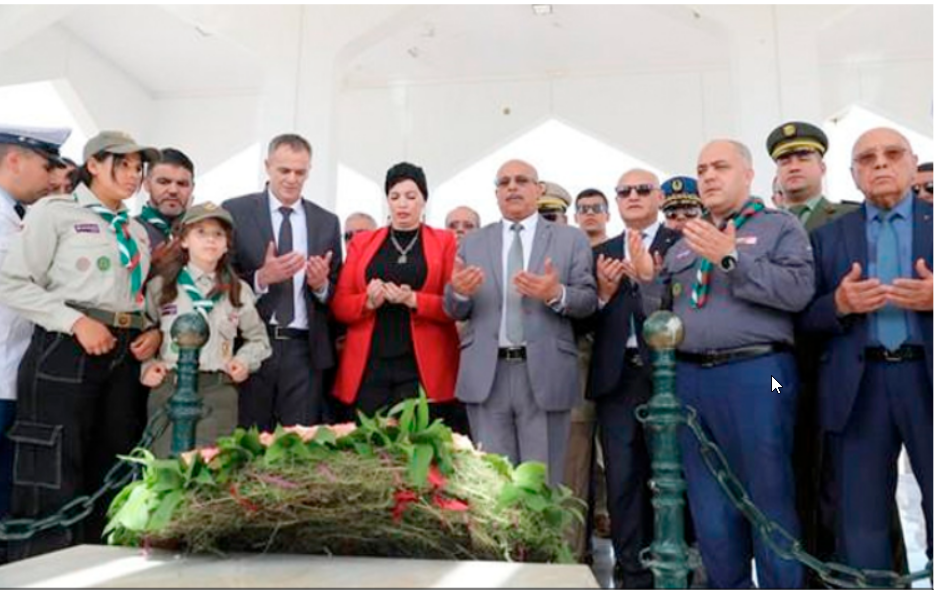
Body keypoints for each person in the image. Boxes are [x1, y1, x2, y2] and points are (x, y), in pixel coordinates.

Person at [629, 139, 814, 588]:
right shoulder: (684, 243)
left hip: (764, 376)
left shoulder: (779, 227)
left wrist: (730, 258)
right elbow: (666, 316)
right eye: (702, 167)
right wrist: (647, 282)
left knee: (768, 491)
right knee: (709, 505)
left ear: (748, 174)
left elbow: (797, 291)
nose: (708, 175)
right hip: (691, 380)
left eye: (720, 166)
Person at [0, 130, 162, 559]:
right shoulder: (56, 212)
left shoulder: (136, 230)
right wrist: (75, 323)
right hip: (64, 349)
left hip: (122, 352)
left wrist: (150, 330)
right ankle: (39, 566)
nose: (132, 175)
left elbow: (133, 293)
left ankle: (93, 562)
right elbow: (10, 281)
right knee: (54, 463)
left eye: (137, 167)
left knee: (112, 458)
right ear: (93, 164)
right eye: (122, 164)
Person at [800, 127, 931, 571]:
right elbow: (802, 320)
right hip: (859, 390)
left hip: (925, 378)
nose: (880, 163)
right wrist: (838, 304)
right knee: (861, 528)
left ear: (913, 164)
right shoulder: (829, 238)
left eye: (892, 154)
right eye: (867, 158)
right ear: (854, 175)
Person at [444, 159, 596, 488]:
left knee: (543, 485)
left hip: (544, 373)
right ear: (496, 193)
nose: (512, 187)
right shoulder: (473, 242)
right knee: (493, 485)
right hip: (488, 375)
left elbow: (587, 302)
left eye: (522, 180)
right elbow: (455, 309)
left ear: (538, 190)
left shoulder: (571, 240)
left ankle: (542, 543)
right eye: (504, 182)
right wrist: (459, 293)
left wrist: (556, 293)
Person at [588, 169, 679, 588]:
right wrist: (605, 295)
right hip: (617, 378)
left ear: (659, 196)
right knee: (622, 478)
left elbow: (686, 311)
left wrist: (648, 278)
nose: (633, 197)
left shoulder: (679, 244)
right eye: (624, 191)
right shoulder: (600, 250)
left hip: (667, 377)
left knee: (671, 475)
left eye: (643, 189)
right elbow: (581, 322)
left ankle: (676, 564)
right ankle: (631, 570)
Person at [331, 163, 466, 432]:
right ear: (387, 201)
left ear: (424, 200)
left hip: (422, 367)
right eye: (395, 197)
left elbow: (454, 307)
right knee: (367, 448)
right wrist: (367, 302)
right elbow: (340, 306)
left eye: (411, 196)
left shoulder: (445, 241)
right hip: (369, 365)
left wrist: (414, 300)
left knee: (417, 448)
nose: (402, 204)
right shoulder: (363, 242)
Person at [222, 133, 342, 430]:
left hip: (304, 350)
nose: (292, 179)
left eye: (300, 172)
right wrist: (262, 278)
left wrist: (321, 285)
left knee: (298, 444)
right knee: (247, 439)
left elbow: (336, 289)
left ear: (309, 171)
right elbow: (221, 277)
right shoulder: (235, 211)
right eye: (284, 170)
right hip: (250, 343)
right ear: (268, 166)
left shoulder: (327, 222)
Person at [142, 203, 271, 457]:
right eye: (200, 232)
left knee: (209, 468)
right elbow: (142, 335)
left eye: (218, 234)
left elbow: (258, 339)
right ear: (184, 240)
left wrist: (244, 361)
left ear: (226, 245)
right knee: (165, 466)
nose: (210, 240)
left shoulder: (237, 291)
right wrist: (147, 365)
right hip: (170, 386)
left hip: (217, 391)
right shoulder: (160, 287)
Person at [0, 125, 70, 561]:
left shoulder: (22, 217)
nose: (50, 179)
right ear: (13, 161)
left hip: (14, 375)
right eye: (46, 166)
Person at [767, 121, 858, 232]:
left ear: (822, 168)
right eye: (785, 162)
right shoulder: (762, 226)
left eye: (803, 159)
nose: (794, 167)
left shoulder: (850, 217)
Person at [137, 148, 196, 252]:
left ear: (192, 188)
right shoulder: (126, 231)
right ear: (146, 184)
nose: (173, 190)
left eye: (182, 184)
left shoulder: (204, 234)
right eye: (163, 182)